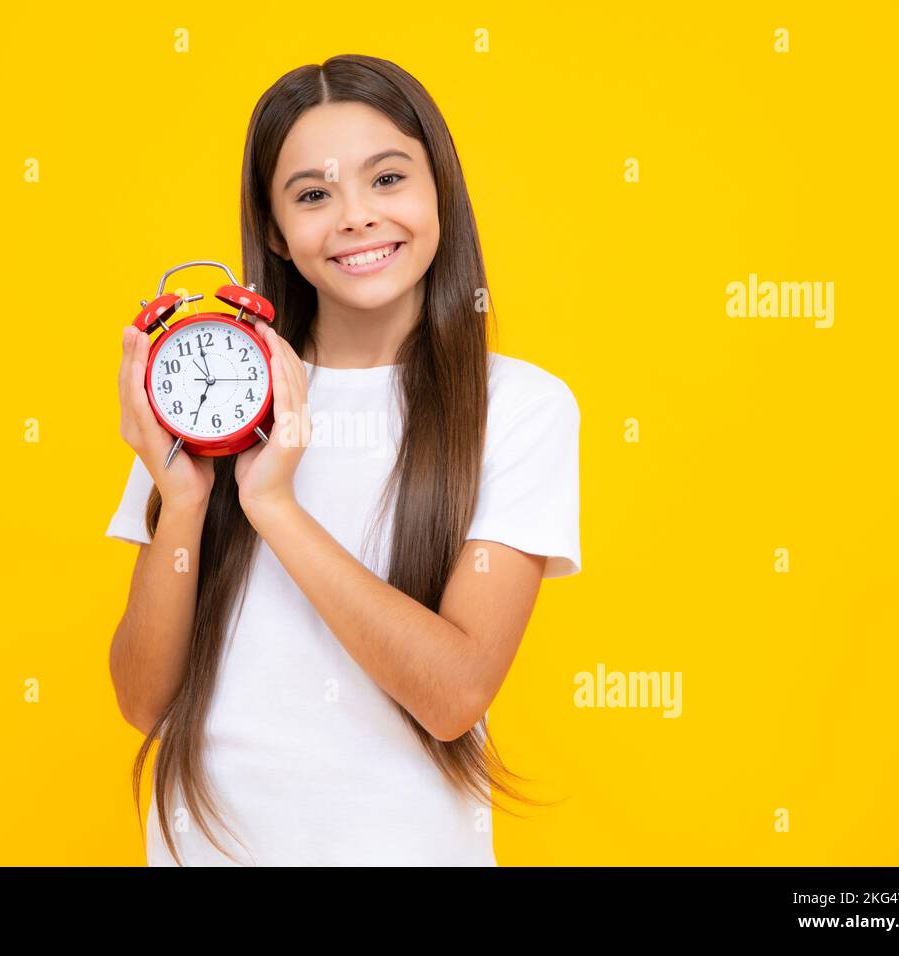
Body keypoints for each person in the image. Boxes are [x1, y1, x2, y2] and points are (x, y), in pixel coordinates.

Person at [107, 54, 581, 866]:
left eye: (387, 178)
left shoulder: (520, 408)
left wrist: (276, 508)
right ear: (274, 231)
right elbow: (142, 700)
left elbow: (454, 695)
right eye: (315, 195)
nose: (356, 217)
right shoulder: (215, 386)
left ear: (440, 191)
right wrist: (184, 501)